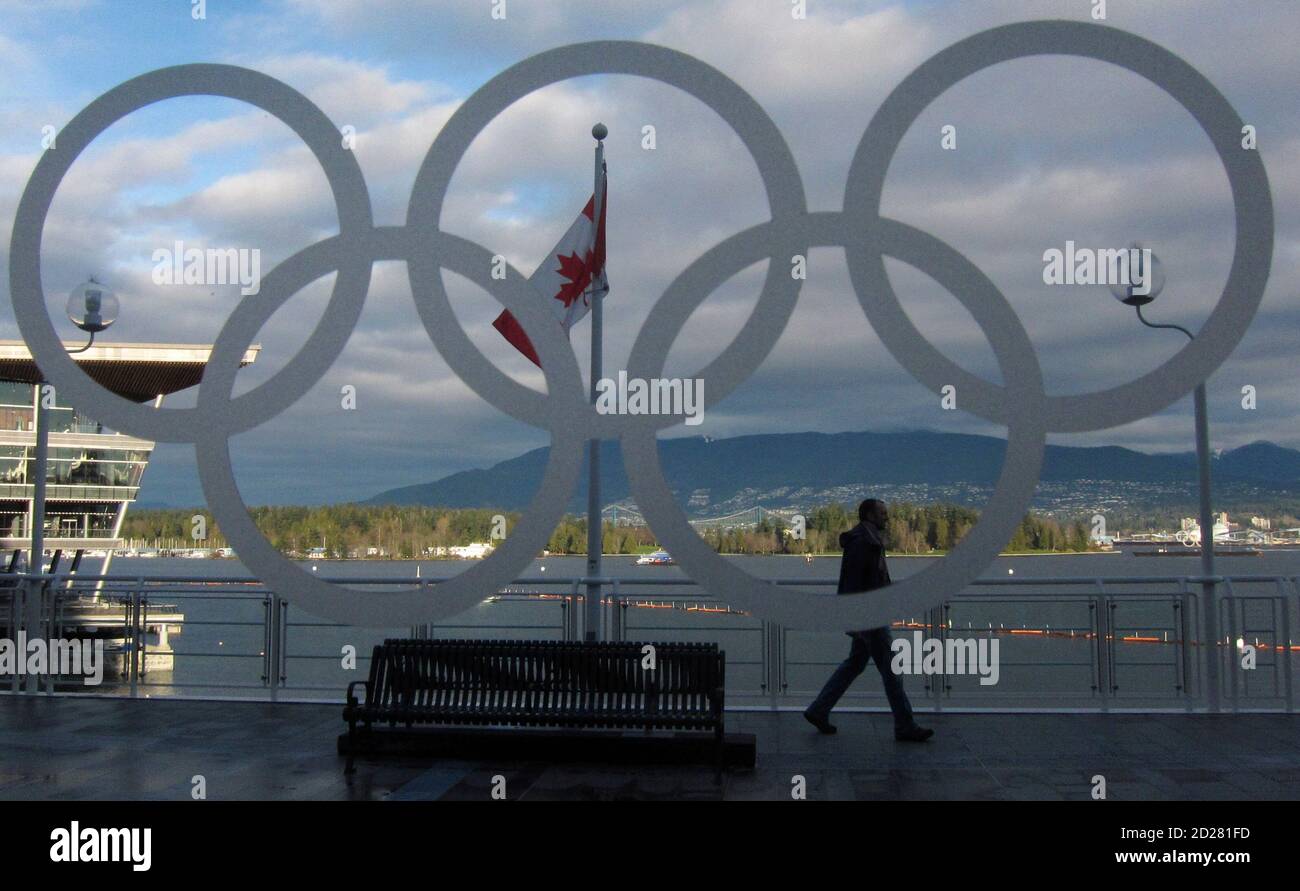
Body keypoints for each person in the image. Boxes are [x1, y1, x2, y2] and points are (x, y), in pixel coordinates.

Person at [804, 498, 934, 742]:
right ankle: (904, 724)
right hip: (870, 616)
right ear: (870, 516)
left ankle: (818, 710)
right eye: (883, 513)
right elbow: (860, 582)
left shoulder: (864, 540)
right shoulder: (865, 543)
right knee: (891, 670)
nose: (887, 517)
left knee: (855, 663)